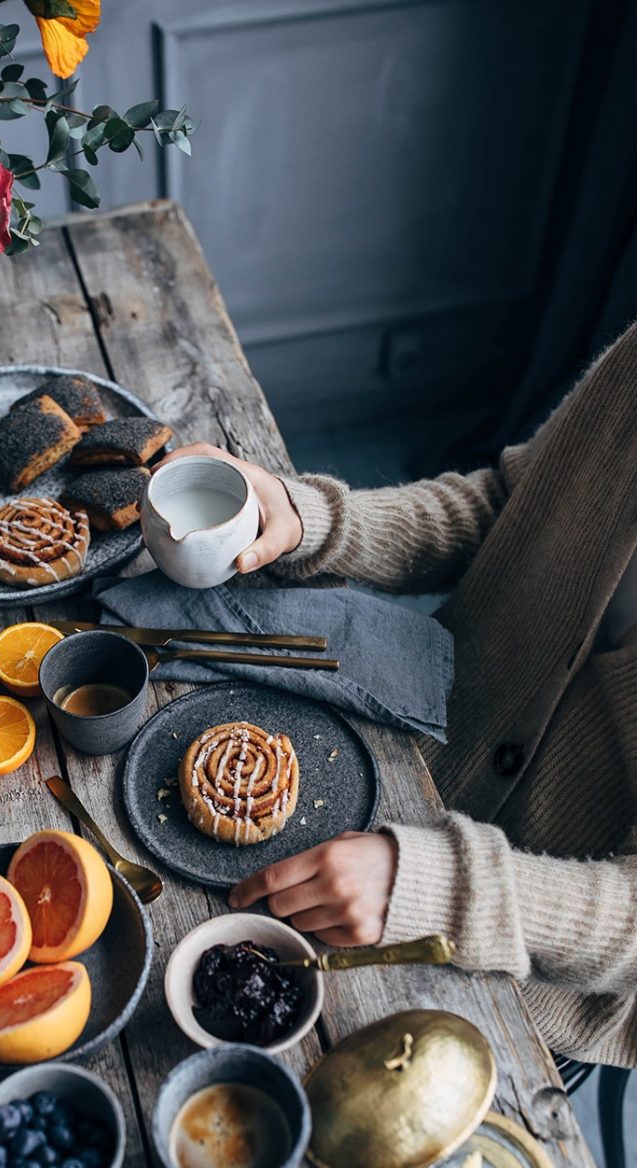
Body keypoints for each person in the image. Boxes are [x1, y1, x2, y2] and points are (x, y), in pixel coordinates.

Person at [161, 320, 637, 1068]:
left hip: (535, 973)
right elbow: (512, 510)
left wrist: (440, 886)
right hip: (411, 740)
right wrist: (311, 522)